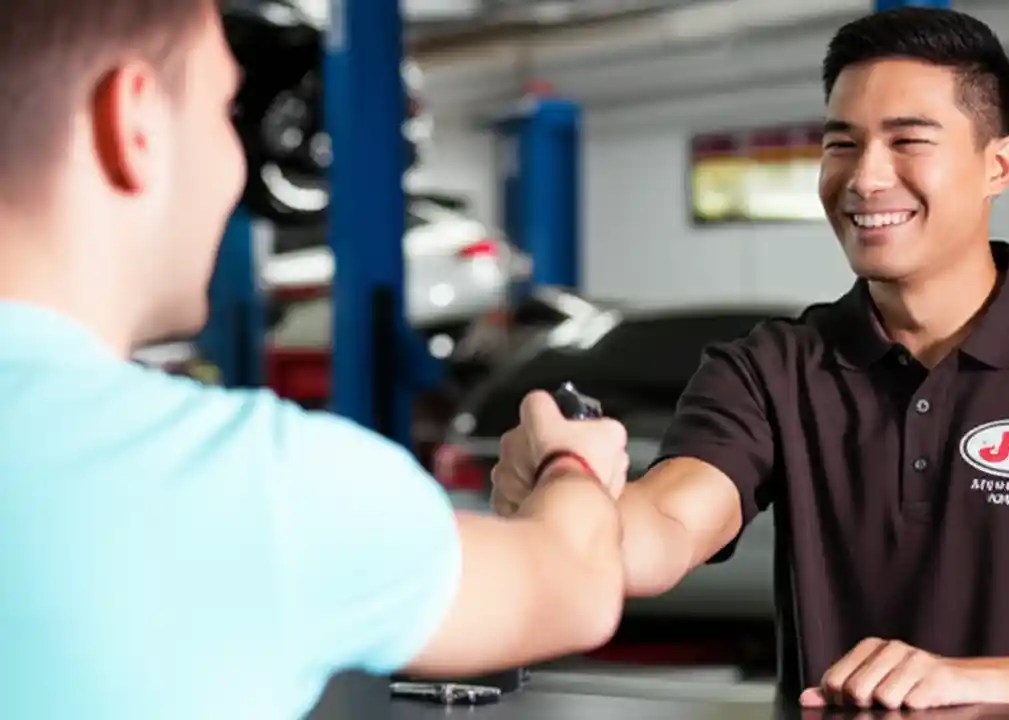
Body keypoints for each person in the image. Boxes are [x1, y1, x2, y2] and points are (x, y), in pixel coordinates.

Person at [492, 7, 1009, 716]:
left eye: (907, 141)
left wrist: (967, 682)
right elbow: (667, 526)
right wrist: (570, 497)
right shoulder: (772, 370)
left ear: (999, 164)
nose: (864, 177)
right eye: (841, 143)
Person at [0, 2, 631, 718]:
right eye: (222, 110)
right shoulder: (252, 488)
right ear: (134, 122)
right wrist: (572, 464)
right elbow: (571, 587)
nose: (235, 164)